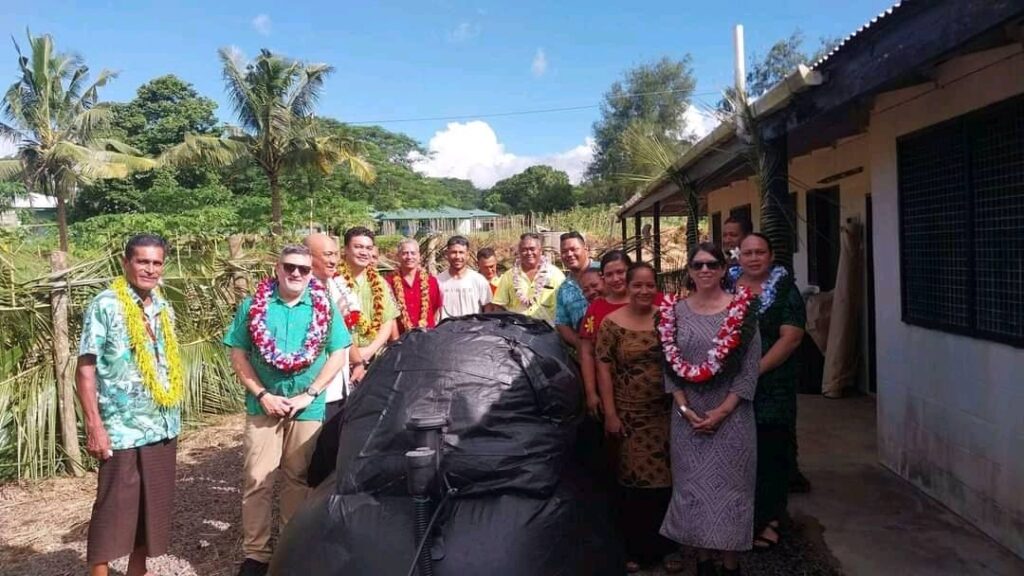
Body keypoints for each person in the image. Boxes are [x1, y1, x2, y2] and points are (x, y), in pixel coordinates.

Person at [223, 245, 351, 576]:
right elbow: (238, 353)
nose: (296, 274)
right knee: (257, 478)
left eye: (304, 269)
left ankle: (290, 547)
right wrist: (261, 393)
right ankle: (257, 555)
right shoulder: (253, 307)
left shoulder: (324, 308)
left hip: (306, 406)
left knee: (298, 476)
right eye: (290, 267)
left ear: (311, 273)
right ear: (277, 268)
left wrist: (311, 393)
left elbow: (339, 352)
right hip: (263, 403)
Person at [77, 234, 183, 576]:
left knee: (150, 509)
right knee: (111, 508)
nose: (149, 269)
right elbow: (86, 368)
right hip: (121, 428)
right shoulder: (105, 305)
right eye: (142, 261)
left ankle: (139, 571)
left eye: (156, 262)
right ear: (126, 263)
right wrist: (94, 425)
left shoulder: (163, 307)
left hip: (161, 424)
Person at [660, 243, 761, 576]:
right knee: (694, 492)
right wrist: (686, 411)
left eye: (712, 264)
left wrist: (722, 412)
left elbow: (749, 370)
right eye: (698, 265)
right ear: (689, 271)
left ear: (722, 269)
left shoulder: (742, 311)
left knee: (731, 493)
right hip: (687, 418)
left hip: (732, 419)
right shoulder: (673, 313)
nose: (705, 271)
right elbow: (669, 369)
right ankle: (703, 562)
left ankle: (730, 565)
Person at [595, 263, 679, 574]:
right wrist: (611, 413)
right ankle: (635, 549)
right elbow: (603, 368)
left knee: (667, 482)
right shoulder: (611, 324)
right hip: (629, 415)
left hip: (666, 414)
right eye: (637, 286)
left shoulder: (668, 318)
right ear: (627, 288)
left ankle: (668, 548)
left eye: (649, 285)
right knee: (632, 484)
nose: (643, 291)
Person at [732, 233, 806, 550]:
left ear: (771, 255)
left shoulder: (785, 291)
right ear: (739, 258)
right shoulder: (726, 287)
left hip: (773, 387)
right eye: (747, 252)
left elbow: (790, 338)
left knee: (771, 453)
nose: (753, 258)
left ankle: (770, 520)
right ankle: (744, 517)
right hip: (732, 386)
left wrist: (755, 370)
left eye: (760, 252)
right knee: (740, 454)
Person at [303, 233, 366, 488]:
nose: (333, 260)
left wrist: (358, 362)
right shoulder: (300, 290)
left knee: (334, 448)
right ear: (309, 258)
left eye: (335, 254)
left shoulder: (336, 286)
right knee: (311, 458)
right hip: (314, 386)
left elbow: (343, 334)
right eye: (327, 254)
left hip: (338, 385)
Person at [579, 250, 633, 420]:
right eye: (609, 274)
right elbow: (586, 353)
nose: (616, 279)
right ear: (603, 277)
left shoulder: (650, 300)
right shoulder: (596, 309)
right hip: (610, 391)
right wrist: (591, 393)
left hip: (652, 389)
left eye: (621, 272)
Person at [336, 227, 399, 362]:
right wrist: (352, 354)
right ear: (345, 249)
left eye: (368, 248)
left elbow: (387, 321)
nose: (364, 252)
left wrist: (369, 351)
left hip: (373, 357)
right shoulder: (333, 280)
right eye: (358, 247)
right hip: (339, 356)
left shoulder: (379, 282)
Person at [491, 232, 565, 324]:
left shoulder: (555, 274)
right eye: (524, 250)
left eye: (532, 249)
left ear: (540, 250)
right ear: (519, 252)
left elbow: (565, 306)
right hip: (518, 332)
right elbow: (498, 305)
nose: (529, 253)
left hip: (548, 331)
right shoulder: (509, 276)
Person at [387, 238, 443, 335]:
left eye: (413, 253)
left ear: (419, 256)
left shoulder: (431, 281)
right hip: (400, 340)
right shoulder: (388, 282)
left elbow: (435, 310)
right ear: (398, 256)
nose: (409, 257)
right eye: (405, 253)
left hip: (427, 338)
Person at [555, 231, 599, 350]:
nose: (569, 254)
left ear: (586, 249)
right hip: (585, 353)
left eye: (574, 249)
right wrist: (579, 344)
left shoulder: (605, 272)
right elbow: (561, 322)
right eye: (564, 251)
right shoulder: (564, 288)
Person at [438, 235, 492, 319]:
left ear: (468, 255)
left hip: (473, 330)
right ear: (447, 254)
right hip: (446, 330)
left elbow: (488, 308)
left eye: (461, 252)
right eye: (453, 252)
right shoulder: (438, 281)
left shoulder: (479, 280)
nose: (457, 257)